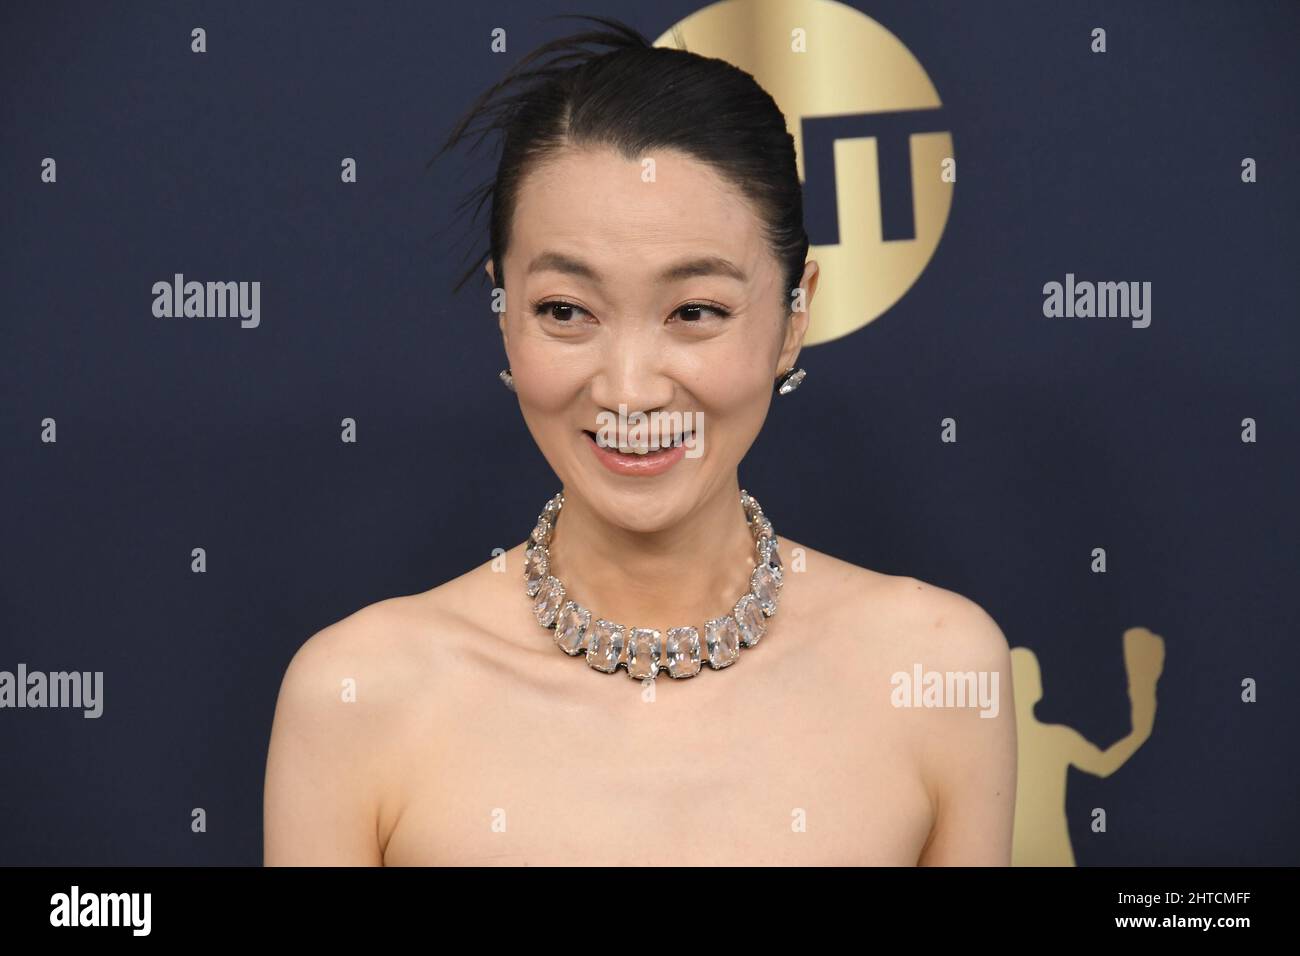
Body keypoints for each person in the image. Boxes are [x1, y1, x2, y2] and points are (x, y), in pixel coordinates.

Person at [263, 13, 1015, 866]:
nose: (628, 388)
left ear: (795, 315)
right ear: (504, 309)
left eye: (695, 312)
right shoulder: (358, 695)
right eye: (565, 312)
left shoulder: (938, 670)